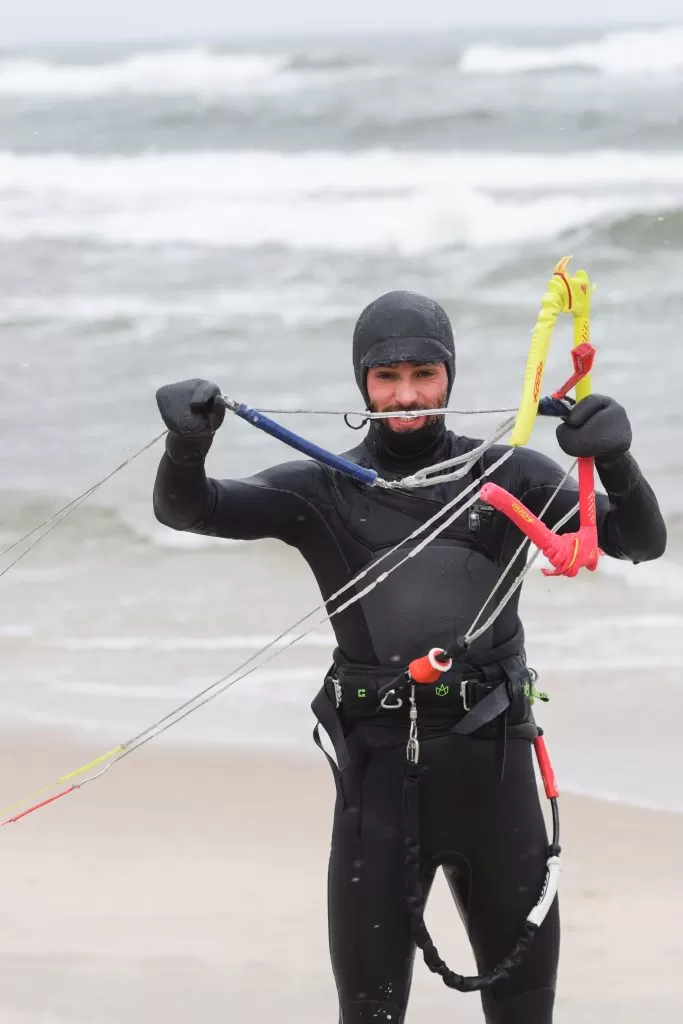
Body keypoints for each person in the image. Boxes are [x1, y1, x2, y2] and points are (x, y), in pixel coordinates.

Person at [153, 290, 666, 1024]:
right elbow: (191, 509)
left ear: (449, 376)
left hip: (495, 769)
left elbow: (637, 542)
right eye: (385, 377)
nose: (405, 395)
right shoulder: (321, 488)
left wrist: (614, 459)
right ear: (361, 383)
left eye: (423, 374)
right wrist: (185, 442)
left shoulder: (510, 476)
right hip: (378, 779)